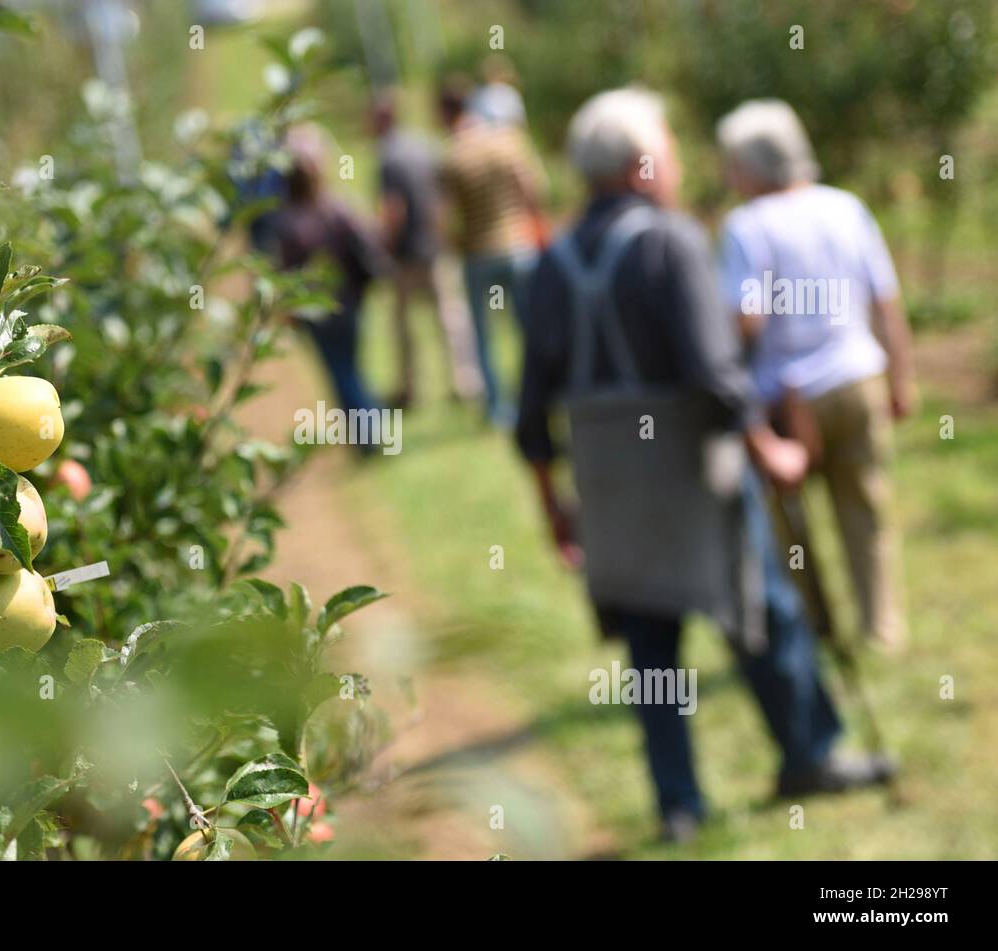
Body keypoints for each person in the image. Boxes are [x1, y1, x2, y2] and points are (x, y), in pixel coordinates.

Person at [515, 87, 895, 842]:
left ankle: (678, 804)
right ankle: (810, 754)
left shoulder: (550, 265)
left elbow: (530, 413)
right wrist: (773, 451)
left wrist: (552, 504)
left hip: (610, 486)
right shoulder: (672, 242)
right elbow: (717, 381)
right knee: (762, 613)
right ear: (642, 164)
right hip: (693, 471)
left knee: (652, 646)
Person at [717, 99, 914, 653]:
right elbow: (885, 300)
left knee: (790, 526)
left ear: (751, 166)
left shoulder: (745, 228)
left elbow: (745, 319)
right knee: (866, 507)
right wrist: (902, 378)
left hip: (787, 397)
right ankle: (882, 629)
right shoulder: (846, 207)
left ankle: (815, 627)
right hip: (856, 380)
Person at [436, 75, 545, 424]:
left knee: (483, 336)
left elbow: (444, 219)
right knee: (528, 327)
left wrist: (457, 243)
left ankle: (499, 410)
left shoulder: (452, 156)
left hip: (478, 255)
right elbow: (533, 189)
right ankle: (539, 395)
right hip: (518, 248)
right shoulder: (507, 143)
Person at [269, 125, 386, 442]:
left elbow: (284, 273)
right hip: (348, 304)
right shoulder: (339, 207)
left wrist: (290, 313)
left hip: (318, 314)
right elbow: (368, 253)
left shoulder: (285, 222)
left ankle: (370, 436)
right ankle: (370, 431)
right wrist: (364, 288)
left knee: (342, 373)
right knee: (351, 369)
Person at [369, 91, 482, 407]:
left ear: (382, 119)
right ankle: (465, 383)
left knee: (403, 327)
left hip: (406, 254)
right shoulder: (426, 147)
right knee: (451, 319)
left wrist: (384, 247)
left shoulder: (388, 156)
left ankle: (409, 389)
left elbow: (394, 209)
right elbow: (442, 199)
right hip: (435, 246)